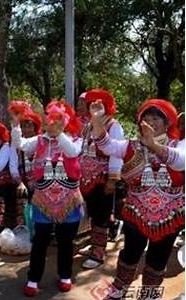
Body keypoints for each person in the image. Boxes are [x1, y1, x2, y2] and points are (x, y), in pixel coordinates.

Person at [90, 99, 184, 300]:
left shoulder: (179, 145)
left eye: (156, 118)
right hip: (137, 212)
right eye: (146, 118)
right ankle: (119, 288)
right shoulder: (131, 146)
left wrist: (155, 146)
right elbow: (107, 146)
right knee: (130, 253)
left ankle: (149, 294)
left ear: (167, 123)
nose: (151, 122)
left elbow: (180, 161)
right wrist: (97, 120)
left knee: (158, 259)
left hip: (170, 215)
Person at [12, 100, 83, 297]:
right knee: (40, 240)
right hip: (43, 199)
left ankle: (65, 275)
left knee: (65, 240)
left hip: (68, 199)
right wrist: (16, 124)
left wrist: (59, 133)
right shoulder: (40, 140)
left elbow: (72, 152)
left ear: (66, 122)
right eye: (51, 119)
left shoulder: (75, 139)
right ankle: (33, 279)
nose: (53, 123)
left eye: (58, 120)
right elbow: (21, 145)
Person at [77, 89, 125, 269]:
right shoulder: (89, 124)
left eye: (96, 105)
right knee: (92, 213)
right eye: (90, 105)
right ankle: (94, 245)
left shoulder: (114, 126)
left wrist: (112, 179)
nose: (92, 108)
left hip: (102, 179)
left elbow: (116, 154)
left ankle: (98, 253)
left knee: (101, 216)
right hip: (86, 178)